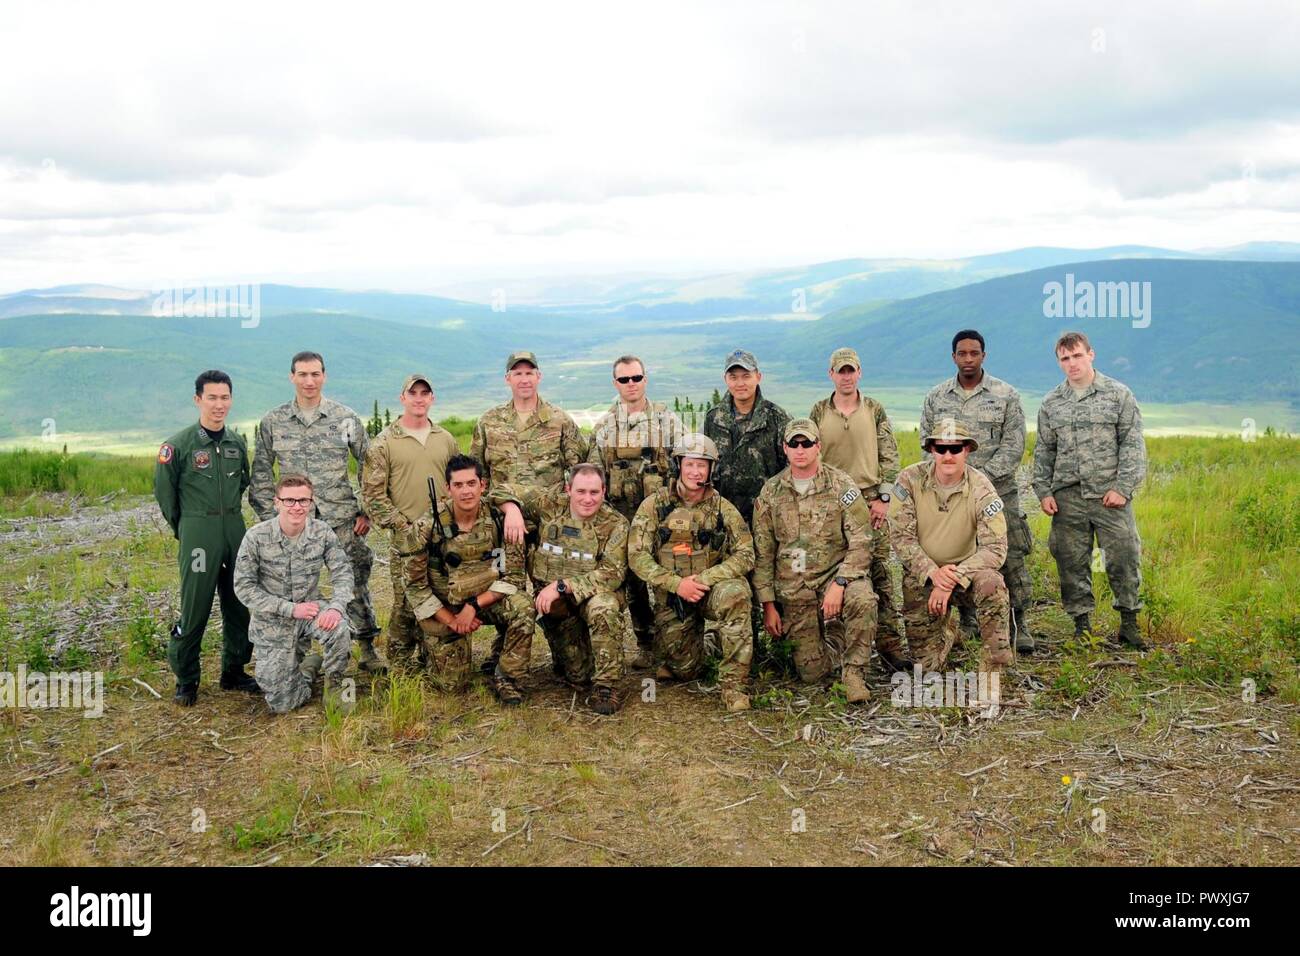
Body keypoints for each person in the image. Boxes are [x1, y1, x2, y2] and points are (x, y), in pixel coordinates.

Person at [248, 351, 384, 671]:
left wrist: (366, 511)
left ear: (324, 376)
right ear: (291, 377)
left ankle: (365, 646)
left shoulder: (345, 418)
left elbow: (370, 463)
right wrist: (273, 520)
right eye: (302, 374)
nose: (309, 381)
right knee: (295, 587)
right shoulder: (273, 422)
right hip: (296, 522)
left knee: (353, 581)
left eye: (315, 374)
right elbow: (261, 474)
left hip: (341, 518)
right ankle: (300, 651)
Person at [919, 330, 1034, 652]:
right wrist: (950, 480)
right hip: (951, 494)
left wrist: (979, 479)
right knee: (959, 551)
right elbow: (928, 443)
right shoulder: (937, 397)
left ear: (984, 355)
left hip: (999, 492)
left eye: (974, 353)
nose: (968, 359)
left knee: (1008, 555)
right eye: (962, 353)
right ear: (953, 356)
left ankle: (1018, 622)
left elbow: (1014, 445)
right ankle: (969, 620)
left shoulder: (1005, 395)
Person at [1032, 332, 1148, 648]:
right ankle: (1081, 627)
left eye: (1077, 356)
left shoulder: (1118, 395)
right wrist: (1043, 490)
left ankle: (1129, 624)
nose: (1072, 364)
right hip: (1068, 496)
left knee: (1123, 557)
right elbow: (1044, 450)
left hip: (1110, 496)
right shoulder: (1052, 402)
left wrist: (1123, 488)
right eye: (1065, 359)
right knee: (1071, 561)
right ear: (1059, 362)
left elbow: (1133, 444)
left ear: (1091, 355)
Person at [751, 418, 878, 703]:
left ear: (818, 446)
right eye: (794, 444)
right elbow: (764, 552)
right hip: (794, 589)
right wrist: (769, 605)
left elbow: (862, 540)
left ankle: (854, 674)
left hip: (835, 577)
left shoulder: (841, 485)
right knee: (811, 673)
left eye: (806, 443)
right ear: (784, 448)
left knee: (863, 600)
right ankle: (834, 635)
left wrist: (841, 582)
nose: (800, 449)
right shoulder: (771, 493)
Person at [627, 434, 756, 711]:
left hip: (712, 591)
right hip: (674, 596)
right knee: (683, 669)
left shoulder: (724, 509)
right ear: (678, 466)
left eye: (702, 465)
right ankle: (708, 642)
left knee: (736, 594)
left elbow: (746, 555)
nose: (696, 472)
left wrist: (705, 579)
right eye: (689, 464)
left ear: (711, 470)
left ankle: (734, 687)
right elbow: (636, 556)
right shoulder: (654, 505)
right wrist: (676, 584)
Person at [153, 369, 257, 707]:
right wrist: (186, 529)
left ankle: (234, 670)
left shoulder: (236, 443)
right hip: (198, 532)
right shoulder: (177, 446)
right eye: (212, 397)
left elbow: (243, 481)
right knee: (195, 606)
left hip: (234, 528)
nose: (219, 404)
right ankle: (187, 679)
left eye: (225, 397)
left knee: (240, 601)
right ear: (198, 399)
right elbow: (167, 498)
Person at [494, 463, 631, 714]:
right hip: (558, 608)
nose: (587, 499)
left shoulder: (616, 524)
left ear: (604, 491)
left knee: (605, 606)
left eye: (594, 492)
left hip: (590, 598)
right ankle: (572, 659)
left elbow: (612, 573)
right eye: (580, 491)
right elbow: (499, 490)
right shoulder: (548, 505)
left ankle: (606, 686)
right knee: (578, 674)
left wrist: (561, 586)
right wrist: (512, 509)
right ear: (568, 489)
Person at [400, 455, 535, 704]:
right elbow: (414, 585)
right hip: (446, 605)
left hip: (487, 600)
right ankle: (428, 646)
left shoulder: (500, 518)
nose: (466, 491)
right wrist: (452, 620)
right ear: (447, 489)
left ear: (482, 485)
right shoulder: (427, 525)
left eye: (471, 483)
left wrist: (473, 607)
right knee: (451, 686)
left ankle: (507, 676)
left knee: (523, 606)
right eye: (458, 485)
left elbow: (514, 577)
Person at [809, 347, 909, 671]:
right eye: (841, 371)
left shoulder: (875, 409)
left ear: (860, 373)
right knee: (835, 571)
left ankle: (890, 647)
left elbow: (890, 457)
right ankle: (834, 649)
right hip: (832, 502)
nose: (846, 376)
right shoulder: (818, 412)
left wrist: (884, 498)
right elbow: (809, 457)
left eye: (851, 370)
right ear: (831, 375)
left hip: (869, 501)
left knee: (879, 574)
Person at [888, 419, 1013, 673]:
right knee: (926, 669)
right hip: (924, 576)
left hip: (967, 573)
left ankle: (994, 666)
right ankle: (947, 633)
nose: (948, 455)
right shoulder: (909, 480)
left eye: (955, 449)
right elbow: (901, 538)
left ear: (966, 450)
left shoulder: (981, 487)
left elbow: (995, 547)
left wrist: (953, 576)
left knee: (993, 583)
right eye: (941, 448)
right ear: (932, 449)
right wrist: (934, 573)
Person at [586, 354, 684, 668]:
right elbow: (593, 477)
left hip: (662, 520)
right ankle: (646, 643)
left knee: (666, 582)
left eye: (637, 378)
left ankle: (675, 646)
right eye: (624, 379)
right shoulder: (604, 427)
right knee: (634, 588)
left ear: (645, 379)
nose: (631, 384)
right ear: (615, 383)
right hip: (622, 524)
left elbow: (687, 464)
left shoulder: (666, 420)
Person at [360, 374, 459, 674]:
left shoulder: (445, 439)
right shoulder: (384, 443)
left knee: (440, 595)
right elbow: (373, 496)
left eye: (424, 393)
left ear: (432, 398)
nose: (419, 398)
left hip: (443, 538)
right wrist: (404, 527)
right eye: (412, 393)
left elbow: (457, 485)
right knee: (406, 603)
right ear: (402, 398)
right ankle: (401, 664)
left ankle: (434, 654)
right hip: (406, 541)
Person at [234, 475, 354, 713]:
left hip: (311, 610)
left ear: (311, 503)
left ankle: (336, 687)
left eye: (303, 500)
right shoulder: (256, 537)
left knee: (340, 626)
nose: (297, 507)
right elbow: (243, 587)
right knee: (282, 704)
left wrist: (335, 607)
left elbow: (343, 573)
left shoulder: (322, 532)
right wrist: (289, 609)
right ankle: (308, 669)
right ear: (276, 502)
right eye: (289, 501)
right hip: (273, 621)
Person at [703, 349, 791, 526]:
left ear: (758, 377)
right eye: (733, 377)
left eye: (746, 376)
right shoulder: (713, 419)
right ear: (725, 379)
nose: (740, 383)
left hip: (767, 517)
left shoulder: (777, 418)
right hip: (722, 517)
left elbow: (792, 467)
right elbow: (704, 464)